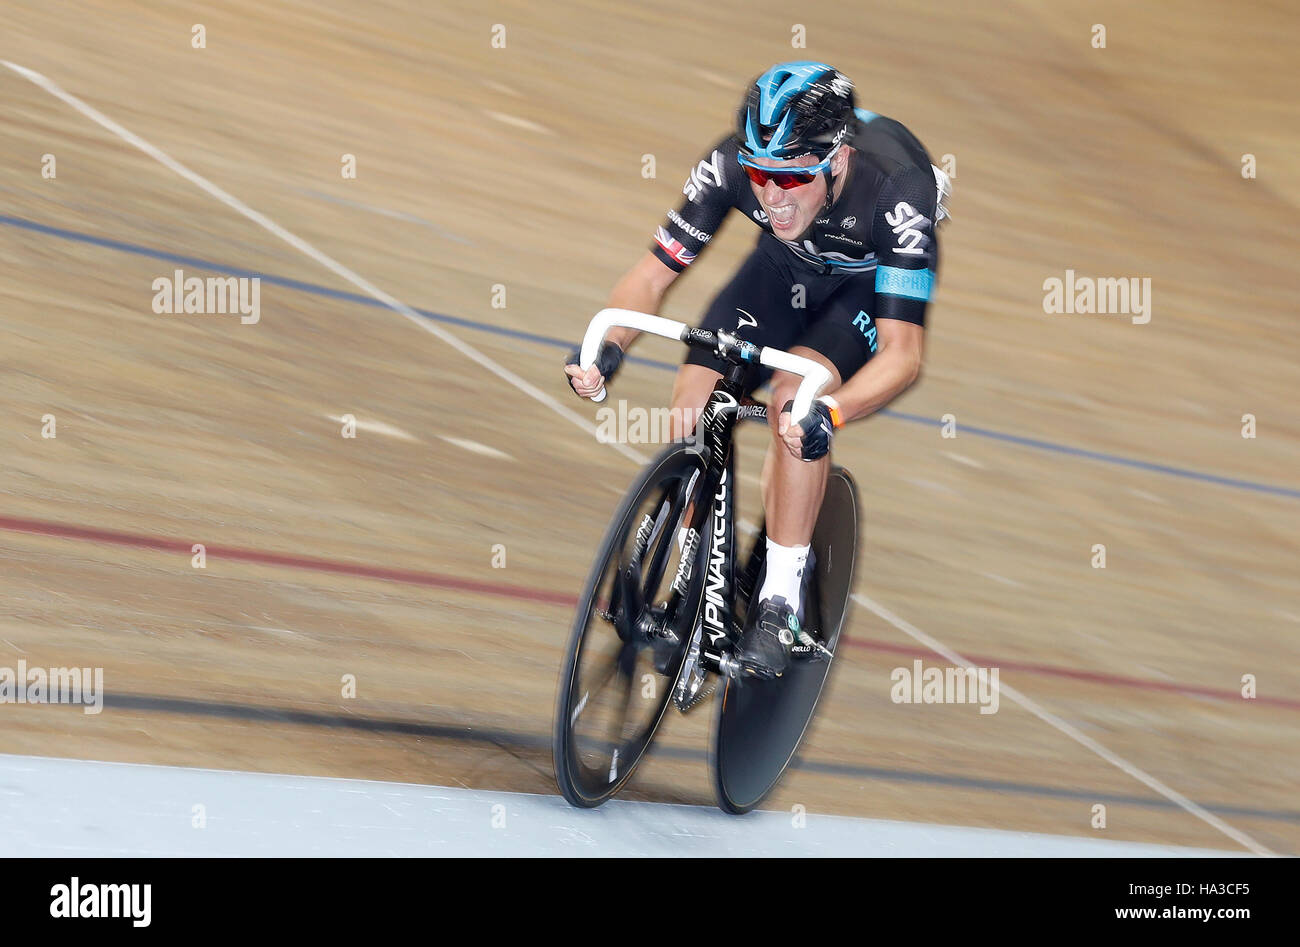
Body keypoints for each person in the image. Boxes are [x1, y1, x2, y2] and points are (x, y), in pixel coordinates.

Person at [565, 61, 949, 676]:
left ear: (838, 160)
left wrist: (834, 411)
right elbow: (651, 275)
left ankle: (780, 602)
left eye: (790, 179)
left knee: (793, 397)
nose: (771, 196)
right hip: (781, 271)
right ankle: (691, 575)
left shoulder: (898, 193)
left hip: (860, 289)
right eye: (760, 175)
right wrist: (608, 346)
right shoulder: (731, 166)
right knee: (694, 403)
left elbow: (903, 356)